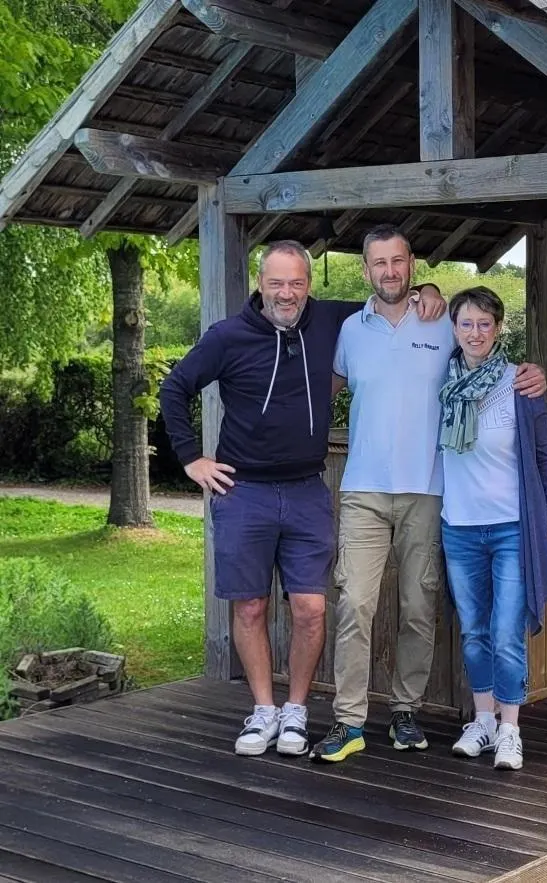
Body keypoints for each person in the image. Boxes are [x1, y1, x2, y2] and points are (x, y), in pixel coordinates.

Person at [159, 240, 444, 758]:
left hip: (307, 489)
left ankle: (296, 711)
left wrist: (429, 288)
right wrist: (190, 458)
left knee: (312, 609)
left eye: (296, 283)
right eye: (276, 283)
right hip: (243, 490)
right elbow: (174, 388)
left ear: (309, 285)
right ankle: (263, 709)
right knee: (250, 606)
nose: (286, 293)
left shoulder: (333, 320)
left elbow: (391, 293)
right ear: (260, 284)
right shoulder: (227, 336)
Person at [309, 226, 547, 763]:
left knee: (418, 607)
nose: (389, 271)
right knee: (355, 604)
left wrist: (534, 374)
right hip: (363, 489)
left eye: (398, 261)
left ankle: (405, 711)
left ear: (412, 264)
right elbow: (322, 391)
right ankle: (348, 721)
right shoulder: (351, 330)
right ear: (365, 269)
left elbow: (487, 352)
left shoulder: (441, 322)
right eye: (379, 263)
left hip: (428, 489)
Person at [439, 285, 547, 771]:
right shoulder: (440, 382)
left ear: (498, 328)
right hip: (459, 528)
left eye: (484, 324)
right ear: (454, 328)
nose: (475, 333)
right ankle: (483, 720)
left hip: (512, 527)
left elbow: (544, 457)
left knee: (507, 631)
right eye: (466, 323)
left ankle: (510, 729)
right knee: (473, 631)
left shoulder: (521, 384)